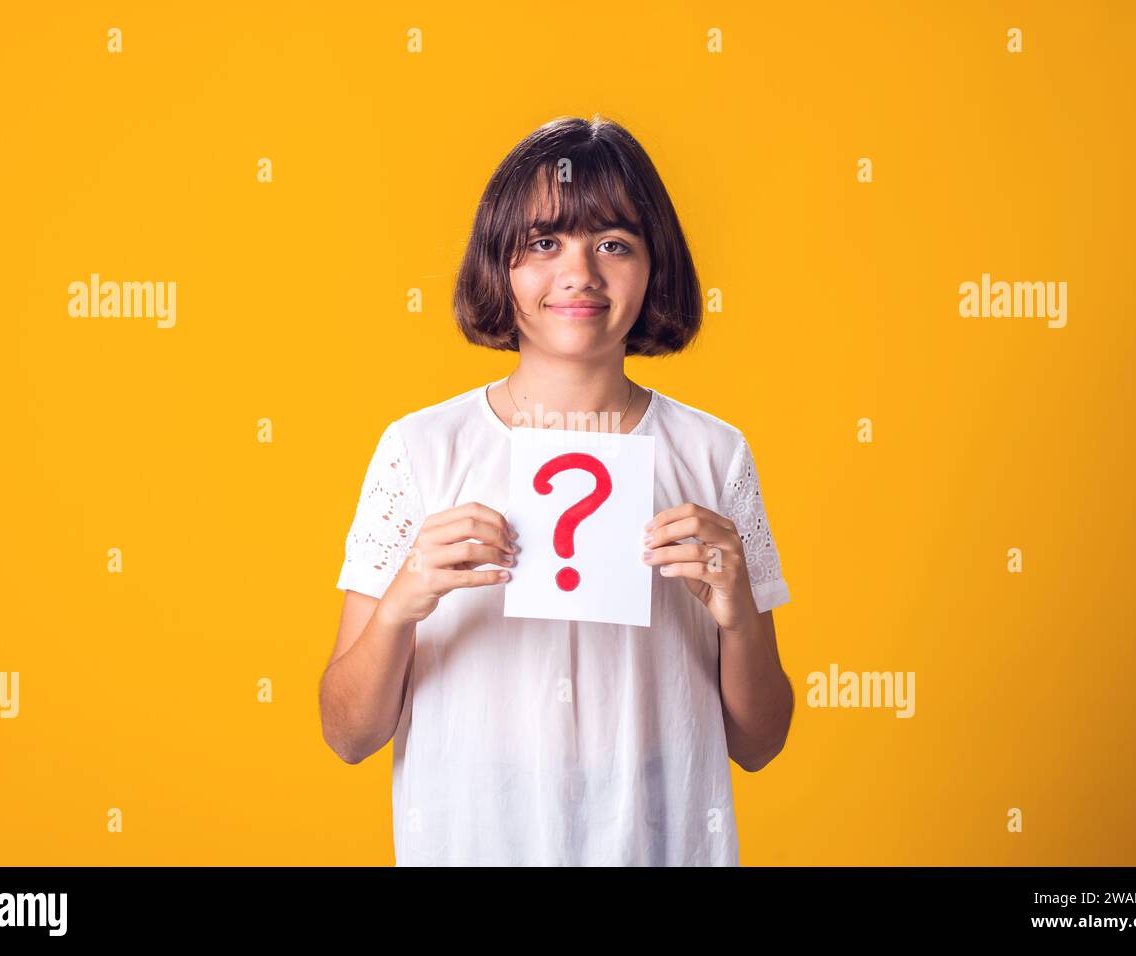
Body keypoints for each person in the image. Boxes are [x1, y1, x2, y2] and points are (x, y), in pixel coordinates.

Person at [320, 115, 794, 866]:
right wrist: (403, 604)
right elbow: (349, 734)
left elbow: (760, 743)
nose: (580, 273)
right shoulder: (421, 449)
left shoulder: (712, 453)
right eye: (544, 244)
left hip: (658, 832)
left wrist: (738, 619)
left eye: (613, 244)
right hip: (471, 832)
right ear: (499, 266)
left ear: (654, 267)